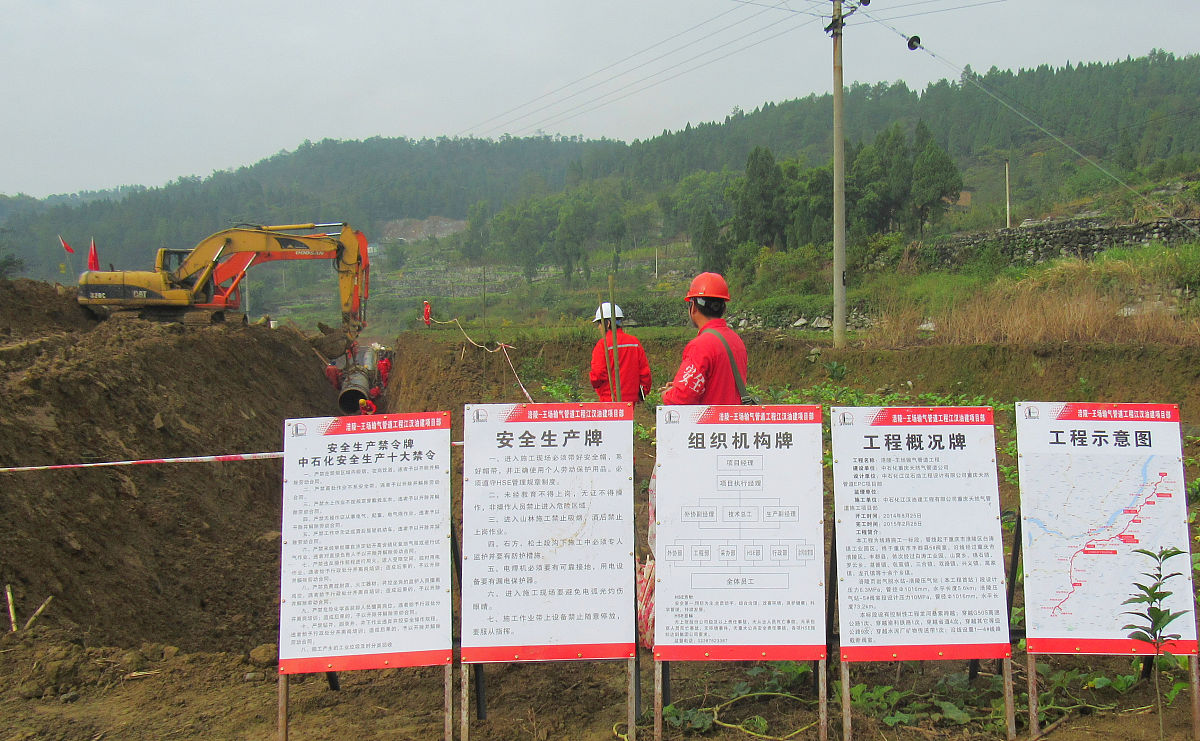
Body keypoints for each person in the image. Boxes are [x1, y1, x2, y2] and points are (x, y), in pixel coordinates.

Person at [660, 272, 747, 405]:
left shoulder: (701, 345)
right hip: (731, 422)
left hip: (709, 424)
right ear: (723, 308)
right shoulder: (735, 340)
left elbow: (680, 398)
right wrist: (680, 385)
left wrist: (667, 394)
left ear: (693, 306)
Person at [589, 302, 652, 404]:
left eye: (599, 323)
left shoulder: (602, 345)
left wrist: (596, 385)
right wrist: (642, 393)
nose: (599, 327)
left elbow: (598, 374)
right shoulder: (634, 343)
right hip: (630, 401)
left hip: (609, 399)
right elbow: (645, 373)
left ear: (608, 323)